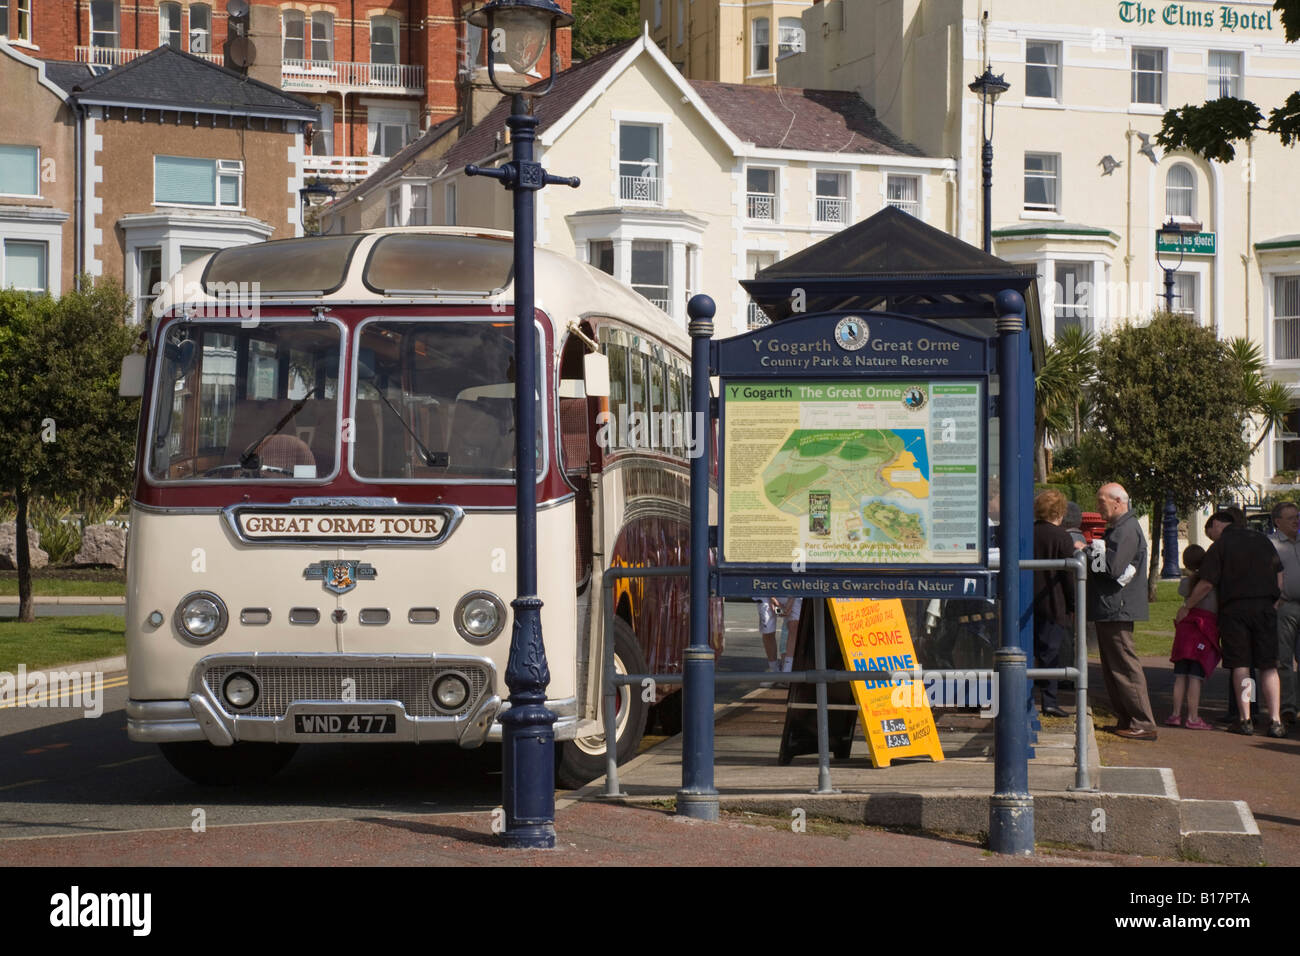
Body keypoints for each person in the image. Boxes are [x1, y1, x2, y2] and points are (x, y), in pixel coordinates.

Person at [1179, 509, 1286, 736]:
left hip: (1235, 610)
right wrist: (1274, 602)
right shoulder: (1261, 539)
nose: (1211, 538)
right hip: (1265, 607)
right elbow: (1279, 574)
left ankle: (1245, 718)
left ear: (1217, 523)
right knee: (1268, 665)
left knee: (1242, 665)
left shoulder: (1221, 546)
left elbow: (1207, 583)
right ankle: (1275, 720)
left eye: (1211, 533)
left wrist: (1187, 606)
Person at [1085, 482, 1158, 740]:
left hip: (1117, 607)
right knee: (1114, 666)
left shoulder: (1125, 529)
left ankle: (1143, 721)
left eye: (1101, 500)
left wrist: (1087, 552)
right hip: (1112, 607)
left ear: (1117, 501)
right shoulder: (1120, 528)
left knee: (1124, 666)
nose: (1097, 505)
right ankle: (1128, 717)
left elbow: (1112, 568)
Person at [1167, 544, 1219, 729]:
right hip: (1202, 630)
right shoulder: (1212, 585)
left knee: (1180, 674)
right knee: (1196, 676)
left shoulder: (1186, 583)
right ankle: (1193, 716)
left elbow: (1182, 591)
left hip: (1185, 629)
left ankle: (1175, 714)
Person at [1033, 489, 1074, 718]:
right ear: (1060, 512)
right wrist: (1074, 606)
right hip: (1054, 603)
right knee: (1051, 654)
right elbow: (1068, 577)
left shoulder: (1028, 532)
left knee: (1028, 652)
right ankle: (1049, 701)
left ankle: (1025, 697)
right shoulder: (1062, 537)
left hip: (1027, 602)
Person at [1270, 501, 1300, 726]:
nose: (1296, 521)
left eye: (1297, 516)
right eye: (1291, 518)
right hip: (1285, 606)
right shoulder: (1270, 545)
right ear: (1278, 521)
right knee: (1284, 659)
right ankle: (1288, 706)